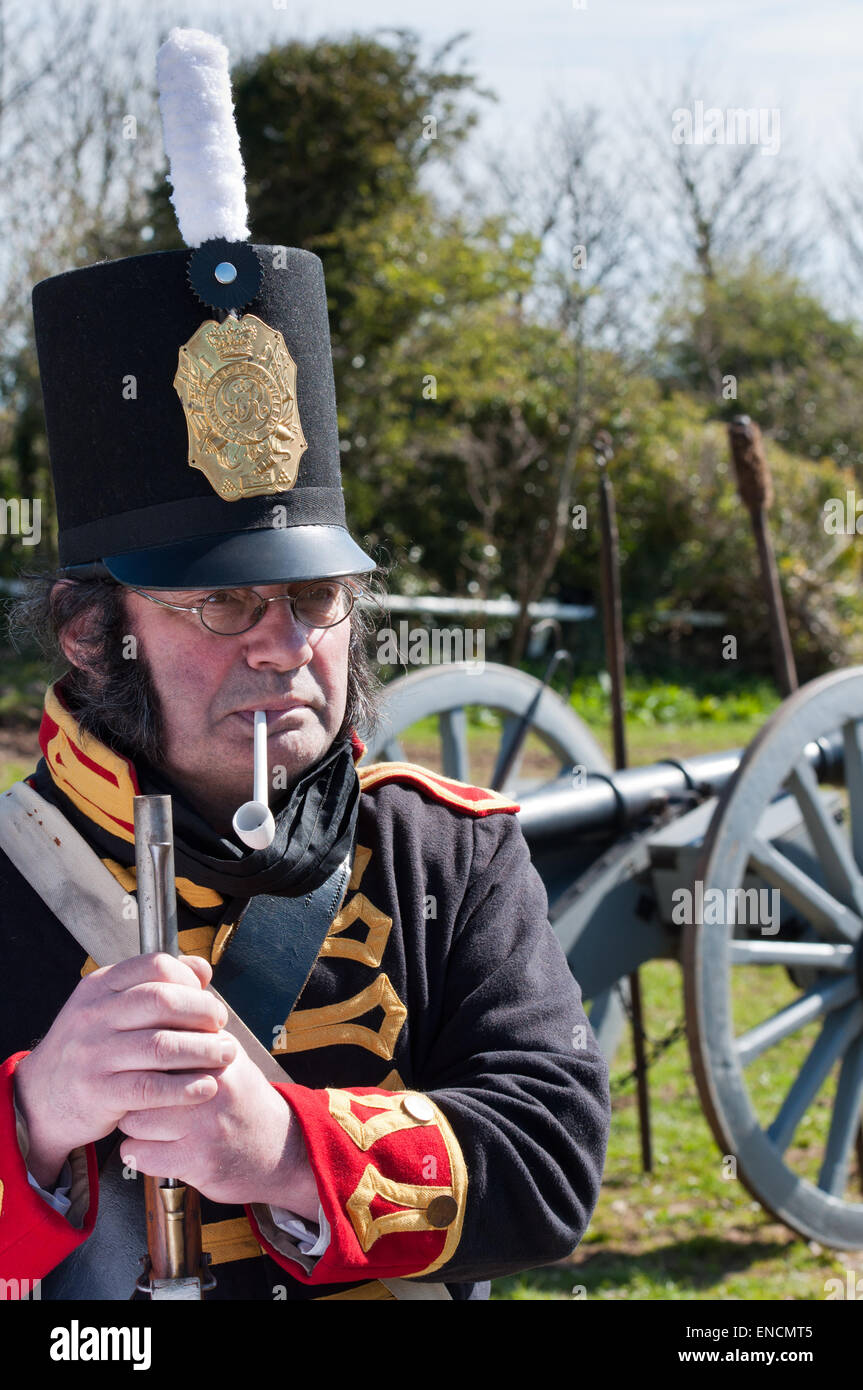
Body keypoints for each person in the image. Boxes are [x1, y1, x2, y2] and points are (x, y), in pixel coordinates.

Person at [0, 27, 610, 1302]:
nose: (286, 643)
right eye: (223, 604)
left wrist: (289, 1153)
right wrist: (39, 1119)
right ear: (91, 631)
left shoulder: (450, 853)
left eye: (317, 596)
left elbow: (549, 1166)